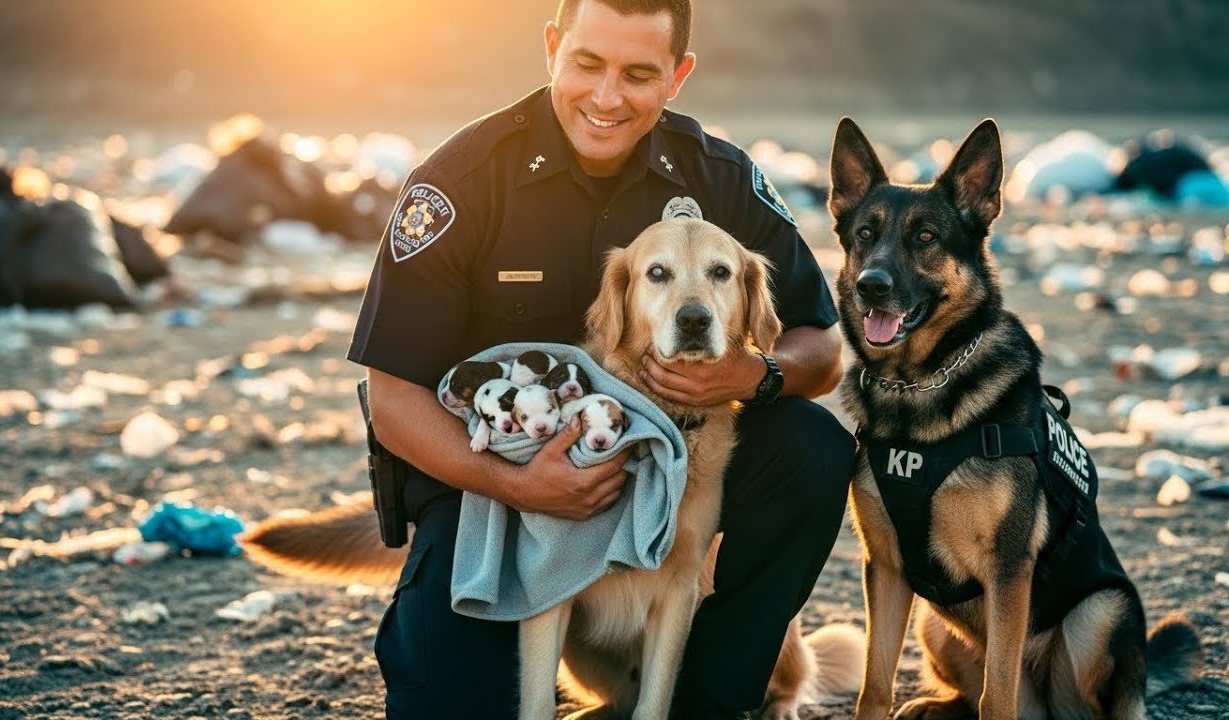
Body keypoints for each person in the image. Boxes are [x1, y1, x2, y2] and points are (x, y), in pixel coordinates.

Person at [347, 0, 855, 717]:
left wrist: (755, 373)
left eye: (638, 74)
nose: (607, 97)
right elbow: (395, 403)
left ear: (677, 76)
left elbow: (821, 347)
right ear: (553, 47)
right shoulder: (462, 181)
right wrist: (519, 484)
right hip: (488, 489)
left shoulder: (720, 179)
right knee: (452, 706)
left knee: (813, 448)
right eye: (588, 64)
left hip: (681, 455)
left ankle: (708, 699)